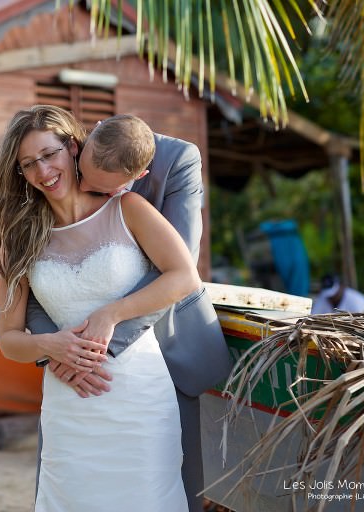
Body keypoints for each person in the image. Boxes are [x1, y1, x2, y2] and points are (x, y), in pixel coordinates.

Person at [0, 105, 201, 510]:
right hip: (68, 401)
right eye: (28, 164)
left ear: (72, 147)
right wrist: (50, 346)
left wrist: (110, 313)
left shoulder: (128, 208)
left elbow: (183, 276)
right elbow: (8, 340)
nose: (43, 171)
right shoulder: (19, 240)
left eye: (49, 154)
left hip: (138, 393)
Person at [26, 114, 233, 512]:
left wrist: (100, 343)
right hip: (71, 365)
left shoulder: (178, 162)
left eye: (102, 189)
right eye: (83, 176)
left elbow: (175, 267)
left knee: (164, 482)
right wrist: (58, 349)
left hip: (160, 347)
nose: (83, 189)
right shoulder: (62, 156)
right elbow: (36, 279)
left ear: (139, 176)